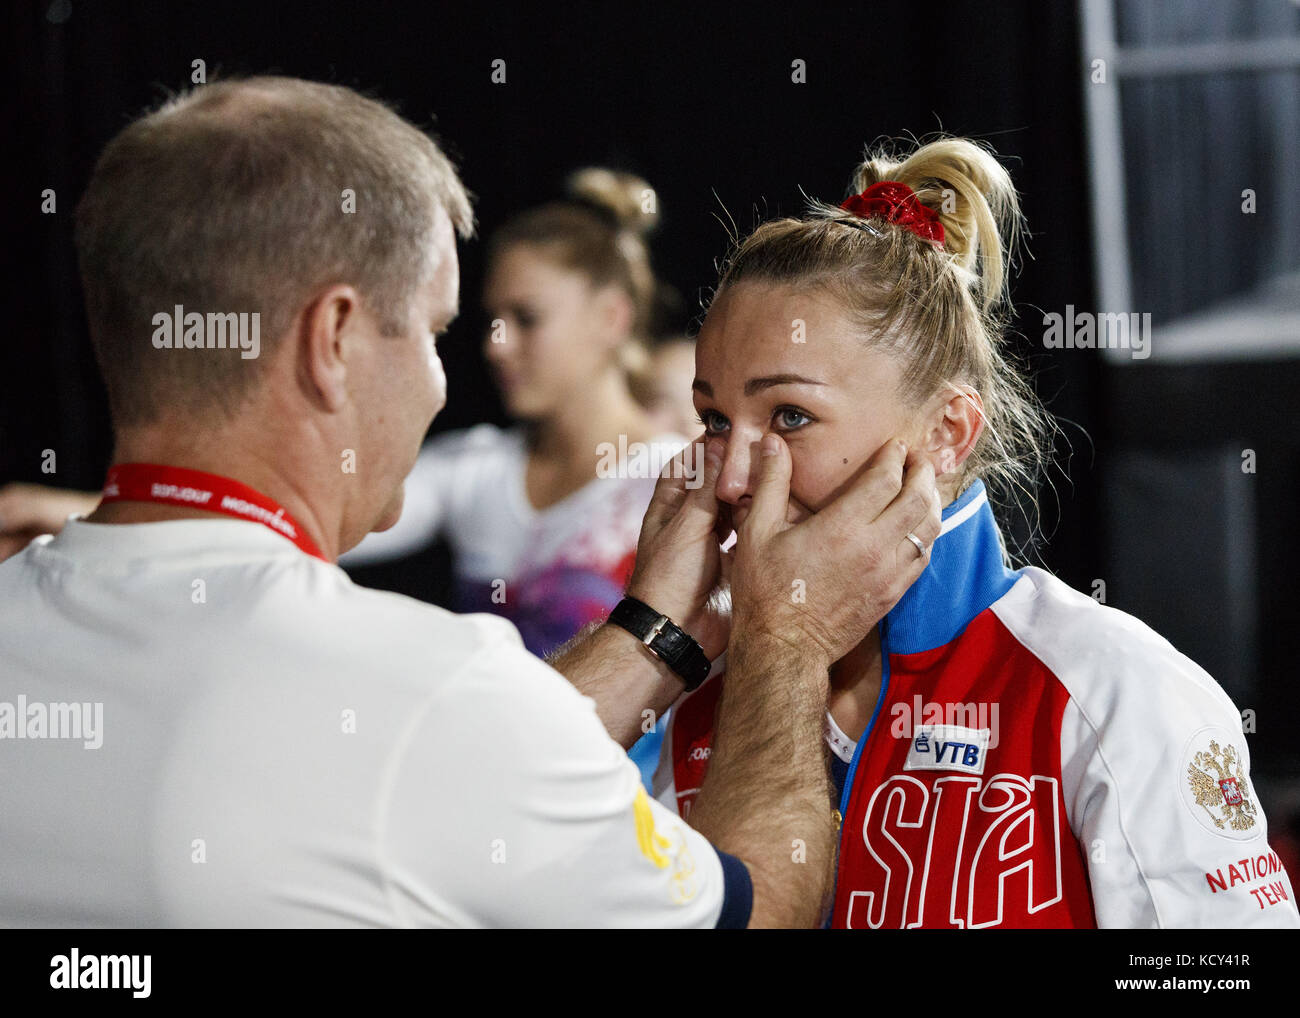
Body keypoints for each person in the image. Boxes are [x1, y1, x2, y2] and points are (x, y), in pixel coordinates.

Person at [0, 75, 941, 928]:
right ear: (332, 340)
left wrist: (658, 630)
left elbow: (456, 770)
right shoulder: (422, 689)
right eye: (434, 333)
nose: (447, 382)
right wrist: (787, 641)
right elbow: (757, 907)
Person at [652, 136, 1300, 929]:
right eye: (716, 419)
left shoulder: (1107, 689)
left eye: (790, 415)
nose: (732, 477)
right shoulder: (692, 719)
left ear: (949, 433)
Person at [341, 170, 686, 785]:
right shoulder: (474, 469)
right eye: (491, 320)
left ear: (612, 318)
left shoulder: (677, 478)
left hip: (630, 820)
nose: (497, 345)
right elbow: (312, 516)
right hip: (490, 794)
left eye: (526, 319)